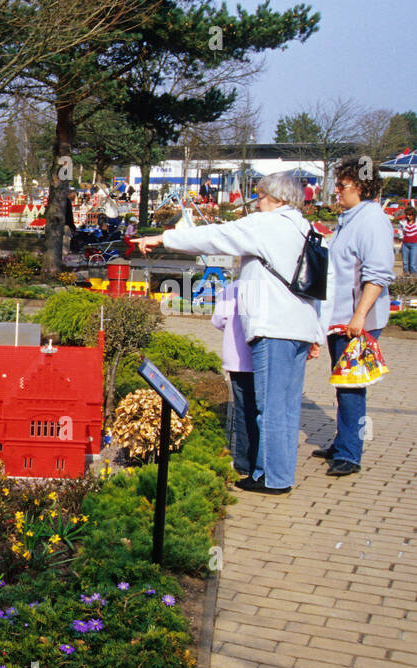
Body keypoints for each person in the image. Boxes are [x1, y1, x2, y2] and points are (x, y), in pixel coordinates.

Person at [133, 170, 324, 495]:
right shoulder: (305, 227)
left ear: (277, 198)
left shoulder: (268, 225)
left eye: (261, 196)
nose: (257, 202)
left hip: (274, 327)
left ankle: (273, 479)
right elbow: (317, 283)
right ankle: (273, 472)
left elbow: (216, 236)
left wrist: (163, 238)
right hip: (299, 326)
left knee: (270, 407)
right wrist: (316, 333)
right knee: (287, 407)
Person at [311, 156, 395, 477]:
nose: (337, 192)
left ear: (360, 186)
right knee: (344, 385)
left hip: (356, 322)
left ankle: (350, 453)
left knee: (351, 387)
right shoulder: (351, 217)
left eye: (342, 186)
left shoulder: (371, 220)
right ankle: (343, 440)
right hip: (343, 319)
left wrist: (360, 316)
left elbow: (378, 274)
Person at [211, 281, 258, 477]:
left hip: (238, 358)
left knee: (243, 411)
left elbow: (218, 320)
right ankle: (261, 459)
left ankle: (244, 462)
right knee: (260, 410)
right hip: (262, 359)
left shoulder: (232, 288)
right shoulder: (270, 286)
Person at [400, 206, 417, 275]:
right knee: (405, 263)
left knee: (413, 264)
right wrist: (401, 238)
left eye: (410, 215)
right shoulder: (403, 222)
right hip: (405, 244)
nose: (408, 216)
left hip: (415, 244)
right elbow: (400, 232)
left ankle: (414, 279)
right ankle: (406, 278)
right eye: (407, 214)